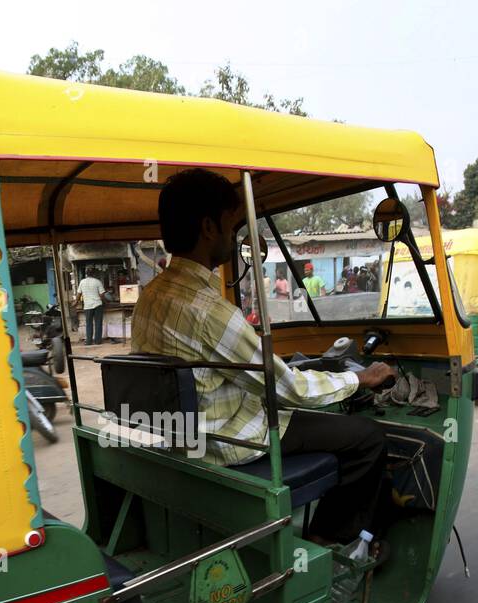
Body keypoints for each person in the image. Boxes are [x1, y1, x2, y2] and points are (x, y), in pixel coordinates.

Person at [132, 168, 396, 549]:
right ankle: (328, 543)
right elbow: (289, 389)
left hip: (182, 436)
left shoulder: (151, 296)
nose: (231, 234)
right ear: (209, 227)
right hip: (231, 442)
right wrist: (360, 379)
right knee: (368, 438)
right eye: (230, 224)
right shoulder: (210, 313)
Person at [76, 267, 107, 345]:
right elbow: (102, 295)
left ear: (86, 274)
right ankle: (97, 341)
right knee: (98, 323)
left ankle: (89, 341)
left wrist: (76, 302)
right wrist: (105, 302)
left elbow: (78, 294)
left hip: (87, 306)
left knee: (89, 324)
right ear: (94, 274)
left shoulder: (82, 282)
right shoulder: (97, 282)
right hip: (97, 305)